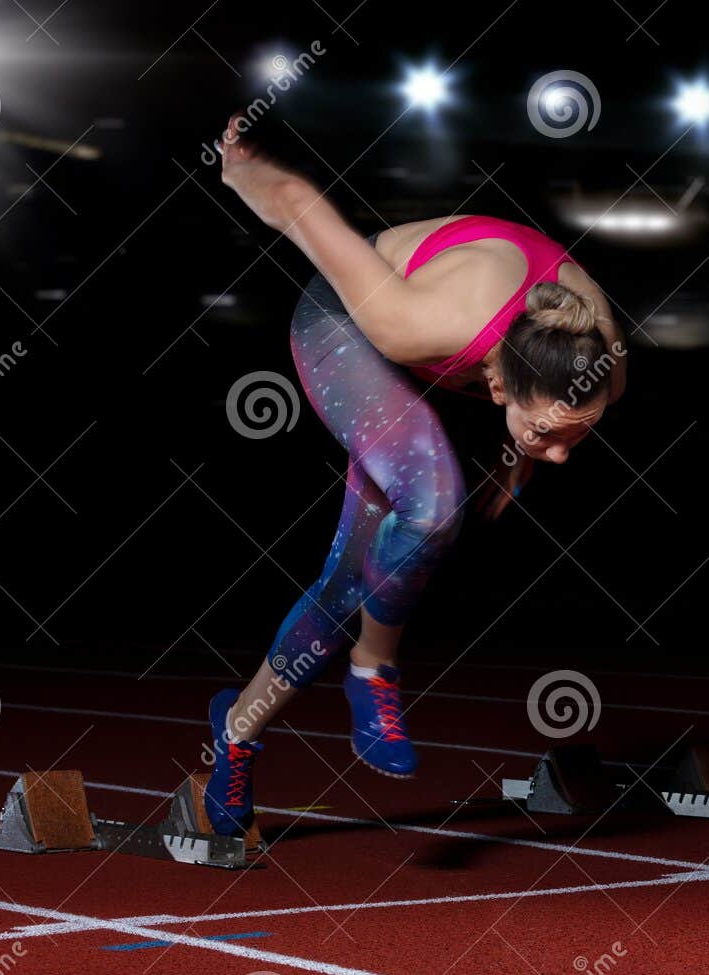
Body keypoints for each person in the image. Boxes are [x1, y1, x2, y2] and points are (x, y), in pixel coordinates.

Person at [203, 113, 625, 836]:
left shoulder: (598, 363)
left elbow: (554, 411)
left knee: (352, 580)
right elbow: (300, 208)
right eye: (548, 439)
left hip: (441, 363)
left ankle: (234, 734)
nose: (560, 456)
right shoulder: (415, 320)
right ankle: (373, 669)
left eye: (572, 440)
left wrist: (521, 457)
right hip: (346, 326)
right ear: (498, 389)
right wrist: (242, 166)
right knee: (432, 507)